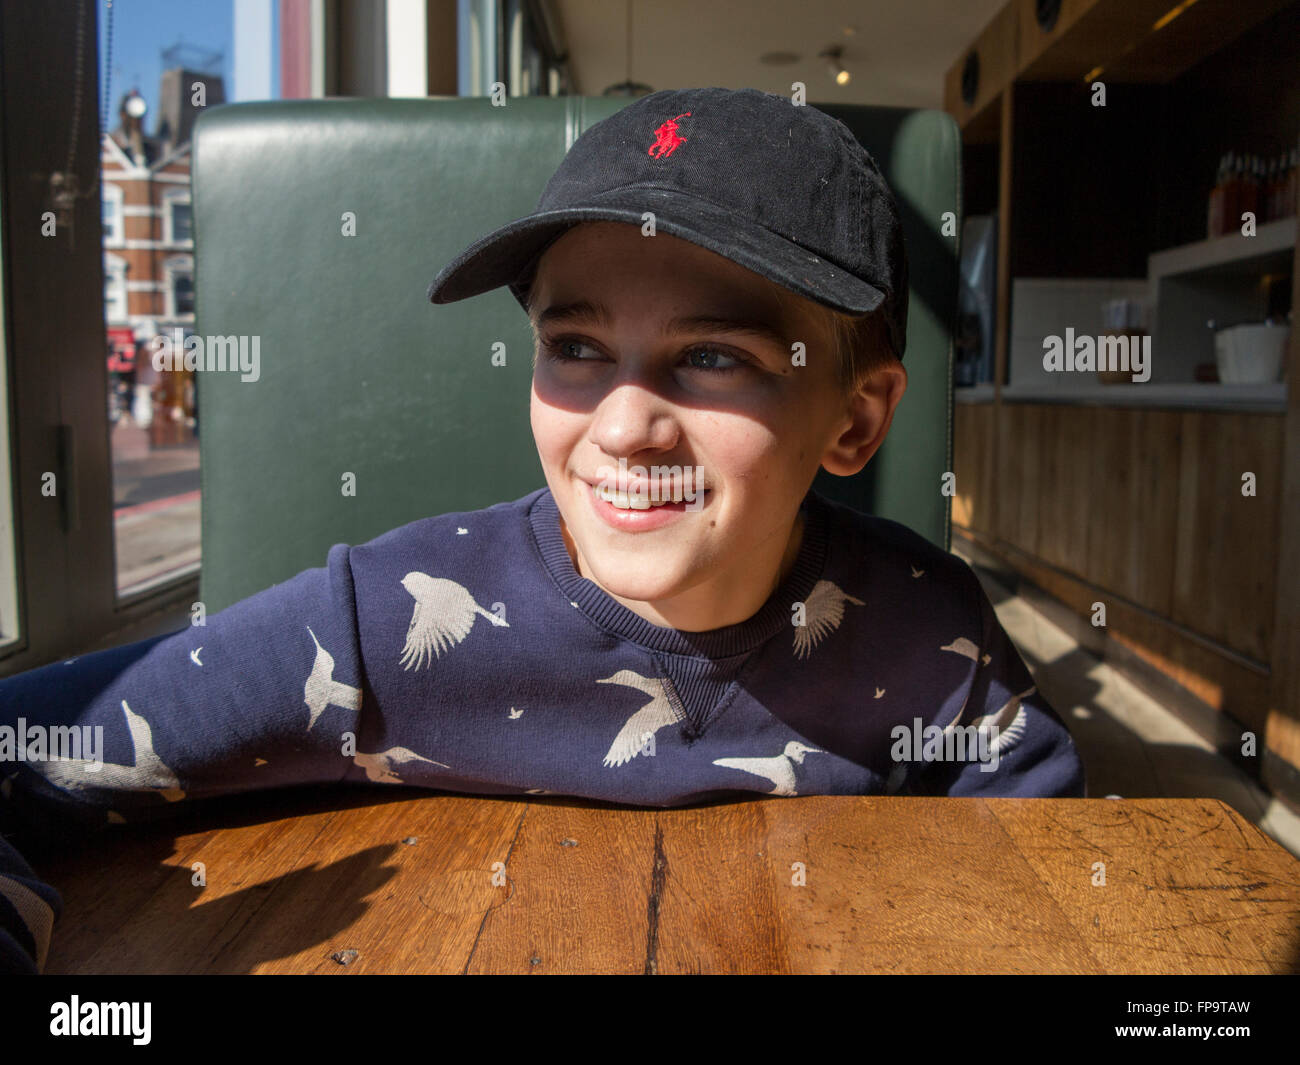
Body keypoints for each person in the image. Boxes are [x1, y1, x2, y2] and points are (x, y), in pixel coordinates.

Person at [0, 87, 1084, 972]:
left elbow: (1049, 868)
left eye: (713, 357)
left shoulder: (931, 635)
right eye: (575, 346)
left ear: (853, 421)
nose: (621, 423)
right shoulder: (375, 621)